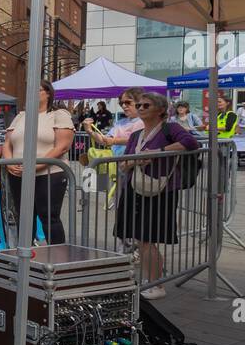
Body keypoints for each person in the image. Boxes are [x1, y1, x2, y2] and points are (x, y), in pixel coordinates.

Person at [115, 91, 199, 300]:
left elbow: (190, 143)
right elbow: (124, 163)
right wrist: (135, 161)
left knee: (147, 238)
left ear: (161, 110)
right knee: (140, 238)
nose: (141, 108)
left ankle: (156, 284)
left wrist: (158, 152)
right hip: (135, 188)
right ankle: (152, 279)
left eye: (146, 105)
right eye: (139, 105)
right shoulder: (136, 136)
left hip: (161, 190)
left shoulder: (171, 128)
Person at [3, 79, 74, 245]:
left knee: (49, 216)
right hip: (19, 174)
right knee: (24, 216)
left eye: (37, 89)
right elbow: (7, 143)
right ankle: (26, 256)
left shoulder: (58, 115)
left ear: (48, 93)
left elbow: (62, 146)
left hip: (49, 174)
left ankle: (58, 256)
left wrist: (36, 165)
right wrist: (9, 162)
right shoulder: (21, 116)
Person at [83, 87, 144, 155]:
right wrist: (90, 131)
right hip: (117, 163)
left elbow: (139, 140)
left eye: (127, 102)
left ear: (139, 102)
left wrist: (114, 141)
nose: (123, 106)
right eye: (121, 103)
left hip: (136, 163)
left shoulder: (147, 121)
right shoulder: (120, 123)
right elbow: (105, 141)